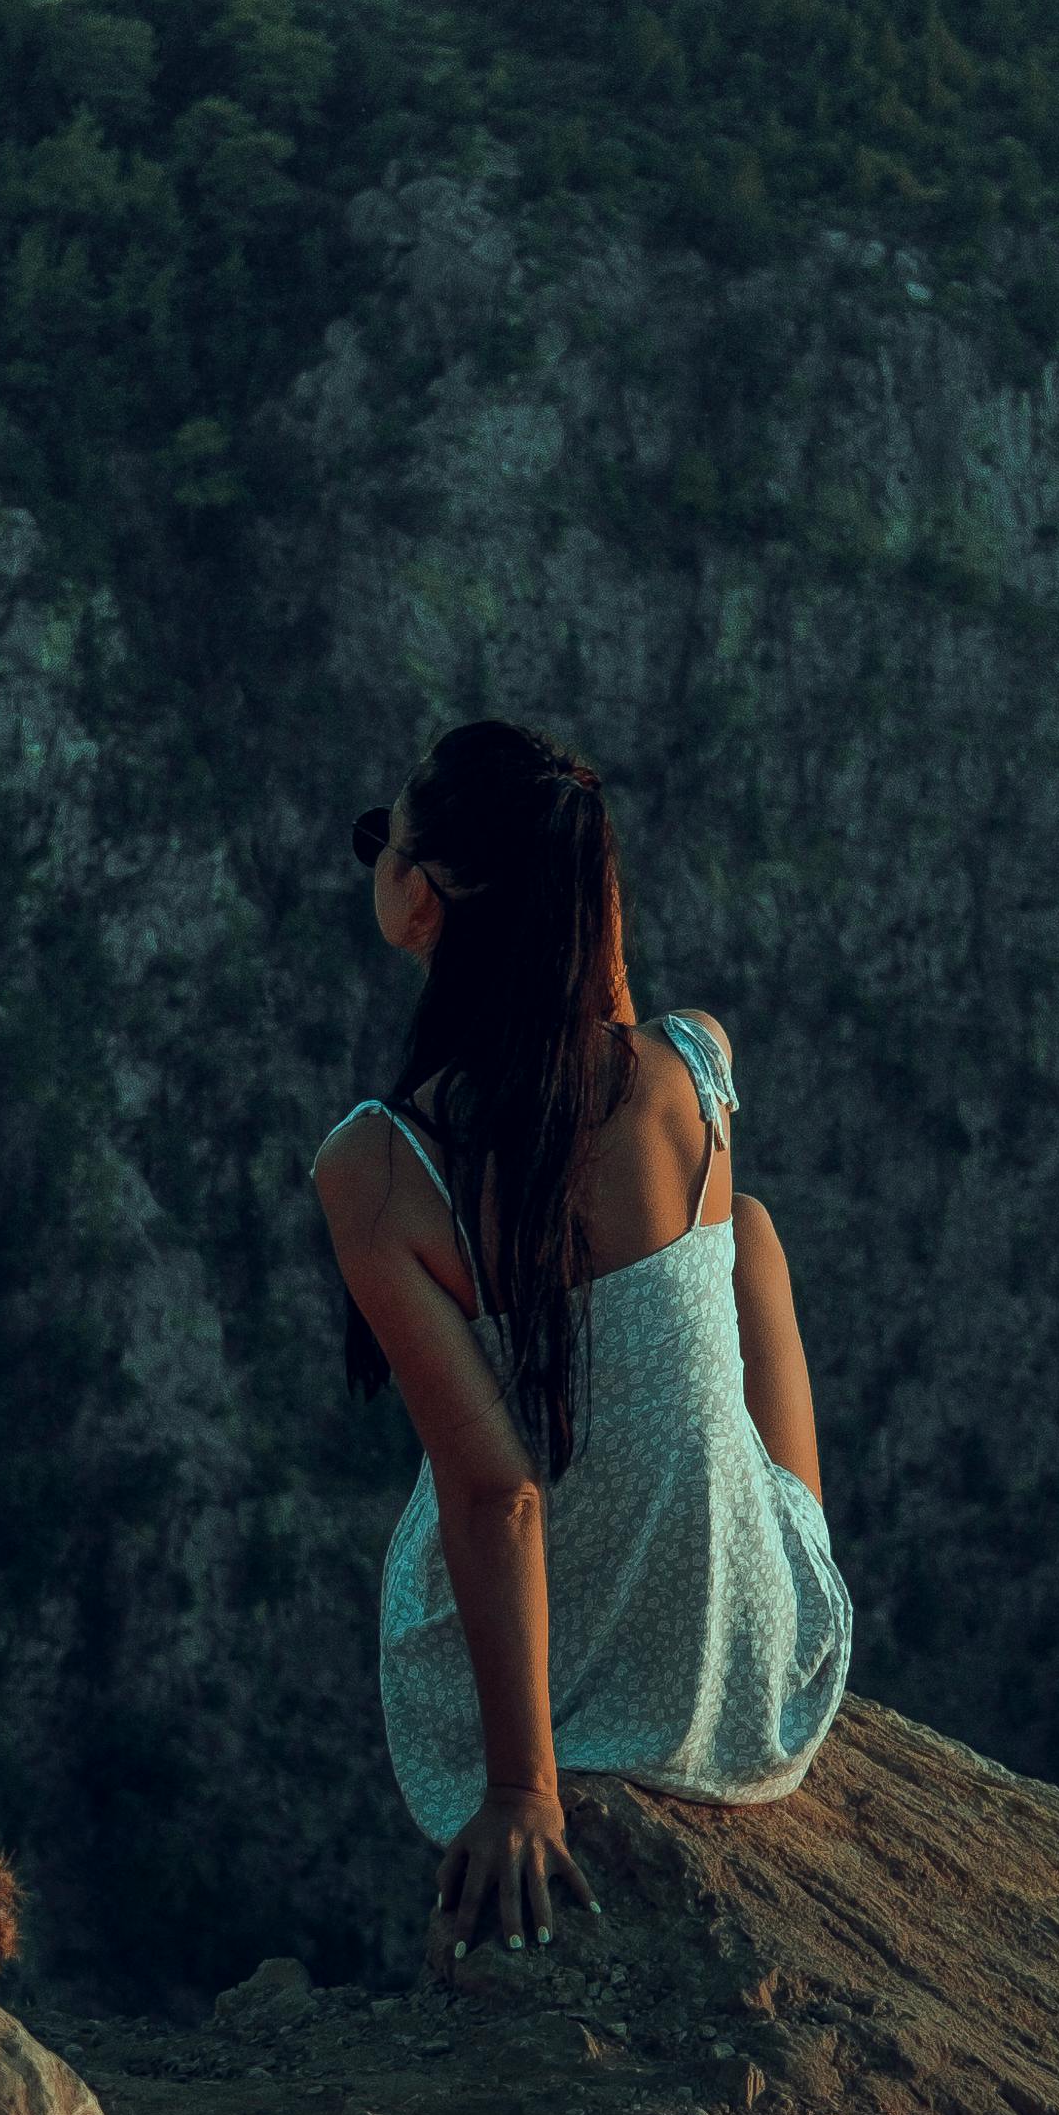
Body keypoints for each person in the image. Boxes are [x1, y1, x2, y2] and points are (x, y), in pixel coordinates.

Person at [311, 719, 852, 1955]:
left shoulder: (382, 1169)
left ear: (425, 900)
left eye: (375, 845)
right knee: (747, 1232)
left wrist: (523, 1791)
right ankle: (780, 1559)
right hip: (754, 1671)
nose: (371, 868)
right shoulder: (694, 1065)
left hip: (576, 1695)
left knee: (503, 1432)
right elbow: (608, 1010)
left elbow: (498, 1493)